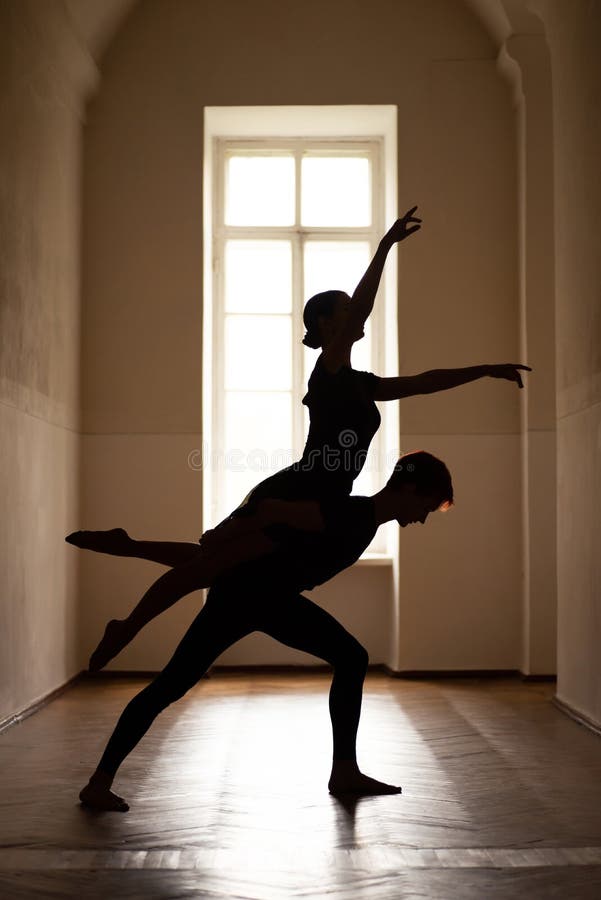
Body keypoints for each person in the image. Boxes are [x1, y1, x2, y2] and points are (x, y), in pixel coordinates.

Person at [78, 450, 453, 812]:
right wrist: (224, 531)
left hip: (260, 595)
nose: (423, 518)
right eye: (427, 506)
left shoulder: (360, 521)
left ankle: (99, 782)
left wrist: (141, 548)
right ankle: (344, 772)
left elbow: (256, 550)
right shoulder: (350, 513)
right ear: (409, 490)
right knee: (173, 685)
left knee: (173, 684)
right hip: (255, 597)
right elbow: (268, 513)